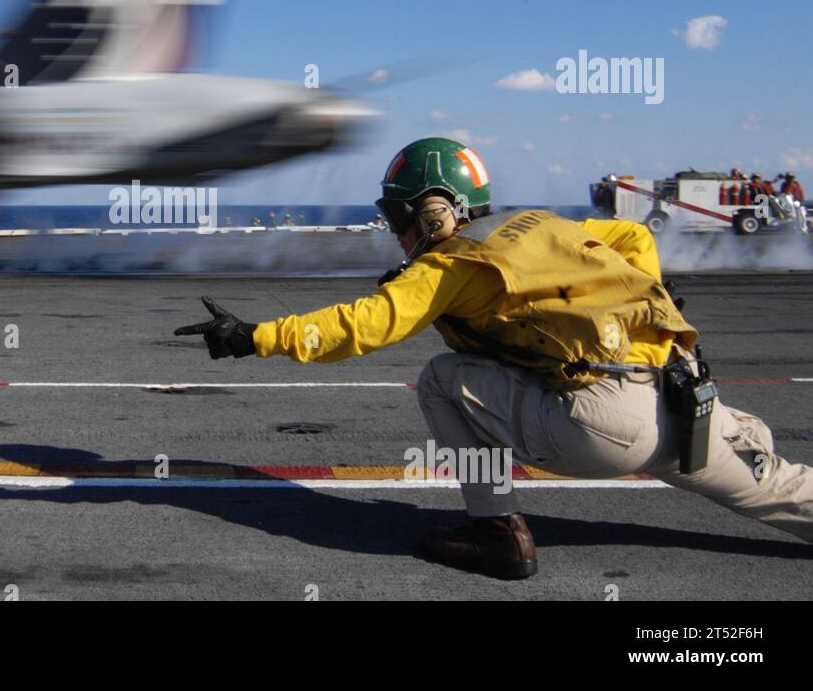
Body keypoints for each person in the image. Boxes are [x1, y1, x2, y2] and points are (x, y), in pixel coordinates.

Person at [175, 136, 813, 579]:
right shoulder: (535, 224)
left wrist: (255, 336)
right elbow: (633, 234)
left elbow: (364, 327)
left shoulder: (455, 263)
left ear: (432, 211)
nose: (396, 231)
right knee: (781, 487)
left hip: (601, 428)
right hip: (682, 401)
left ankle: (496, 532)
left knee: (441, 380)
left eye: (399, 215)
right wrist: (644, 290)